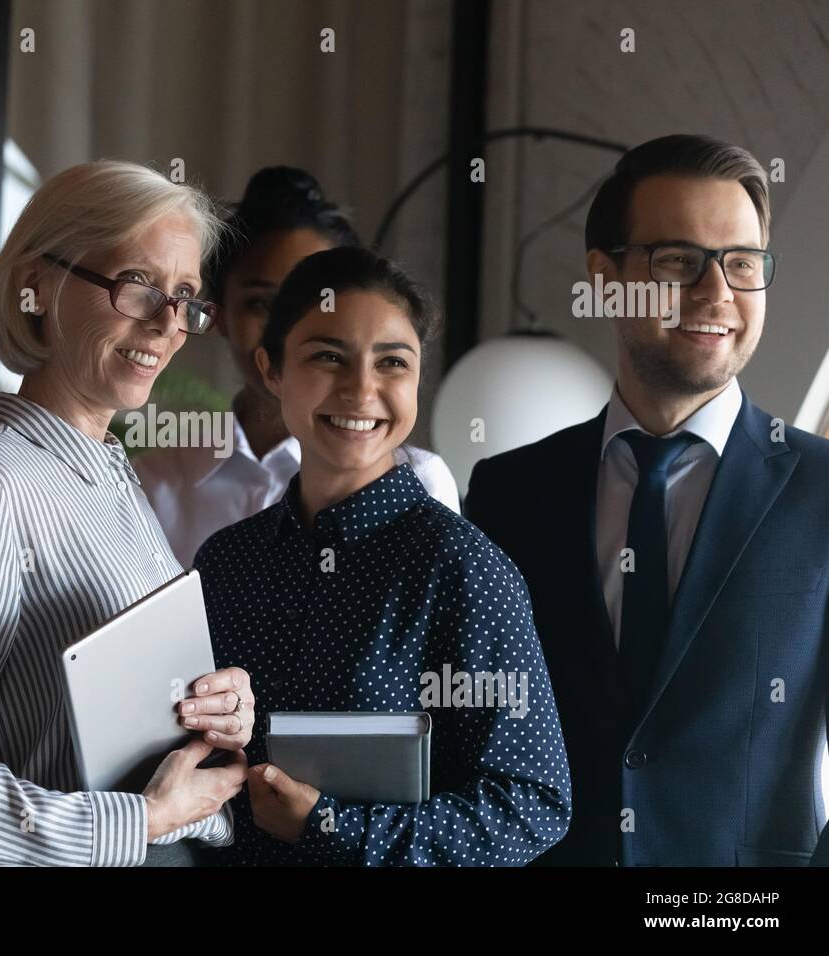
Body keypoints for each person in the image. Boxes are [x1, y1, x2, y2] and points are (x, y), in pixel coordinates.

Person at [0, 160, 254, 866]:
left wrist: (214, 713)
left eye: (187, 297)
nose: (168, 324)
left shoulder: (111, 474)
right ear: (36, 285)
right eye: (138, 285)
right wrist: (136, 822)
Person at [464, 134, 829, 866]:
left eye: (743, 263)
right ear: (605, 277)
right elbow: (475, 727)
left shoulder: (821, 489)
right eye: (678, 261)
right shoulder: (510, 493)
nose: (717, 292)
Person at [194, 246, 571, 865]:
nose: (360, 389)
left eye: (392, 362)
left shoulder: (463, 569)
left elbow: (530, 805)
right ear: (271, 370)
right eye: (327, 356)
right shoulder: (227, 563)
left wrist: (331, 825)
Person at [136, 167, 459, 567]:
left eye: (319, 304)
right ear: (218, 314)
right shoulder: (154, 483)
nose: (285, 330)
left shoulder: (419, 484)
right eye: (260, 304)